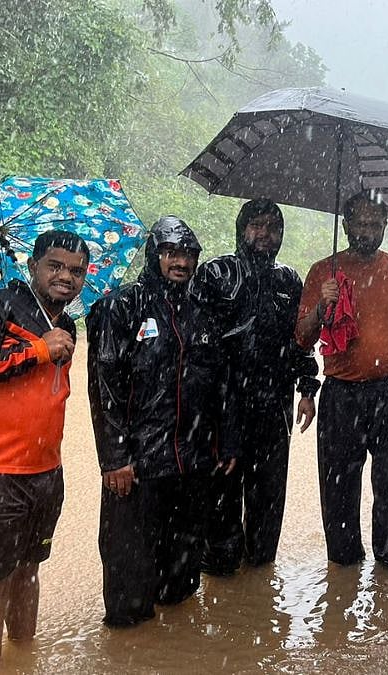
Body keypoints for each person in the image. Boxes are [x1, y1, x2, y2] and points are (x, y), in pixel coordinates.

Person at [0, 229, 87, 665]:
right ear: (33, 267)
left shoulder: (67, 324)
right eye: (55, 266)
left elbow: (42, 391)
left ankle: (26, 659)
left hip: (45, 470)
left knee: (28, 571)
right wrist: (37, 350)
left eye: (76, 271)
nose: (66, 277)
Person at [86, 216, 225, 627]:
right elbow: (104, 387)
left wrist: (220, 446)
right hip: (137, 465)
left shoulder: (203, 311)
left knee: (180, 590)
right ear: (155, 255)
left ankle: (174, 653)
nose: (180, 262)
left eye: (188, 254)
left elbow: (217, 384)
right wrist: (114, 457)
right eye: (171, 253)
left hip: (189, 463)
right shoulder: (121, 306)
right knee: (130, 590)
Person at [295, 190, 388, 566]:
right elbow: (302, 338)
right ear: (346, 226)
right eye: (360, 223)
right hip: (340, 394)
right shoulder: (323, 273)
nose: (368, 231)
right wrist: (320, 307)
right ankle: (343, 564)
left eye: (375, 224)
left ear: (385, 227)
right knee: (338, 487)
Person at [200, 199, 319, 574]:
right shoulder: (217, 274)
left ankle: (260, 578)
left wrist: (307, 386)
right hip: (224, 405)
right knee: (222, 495)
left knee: (268, 495)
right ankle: (221, 573)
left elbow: (299, 340)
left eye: (273, 226)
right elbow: (200, 346)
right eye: (257, 225)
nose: (265, 234)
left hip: (274, 403)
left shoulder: (288, 280)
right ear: (242, 229)